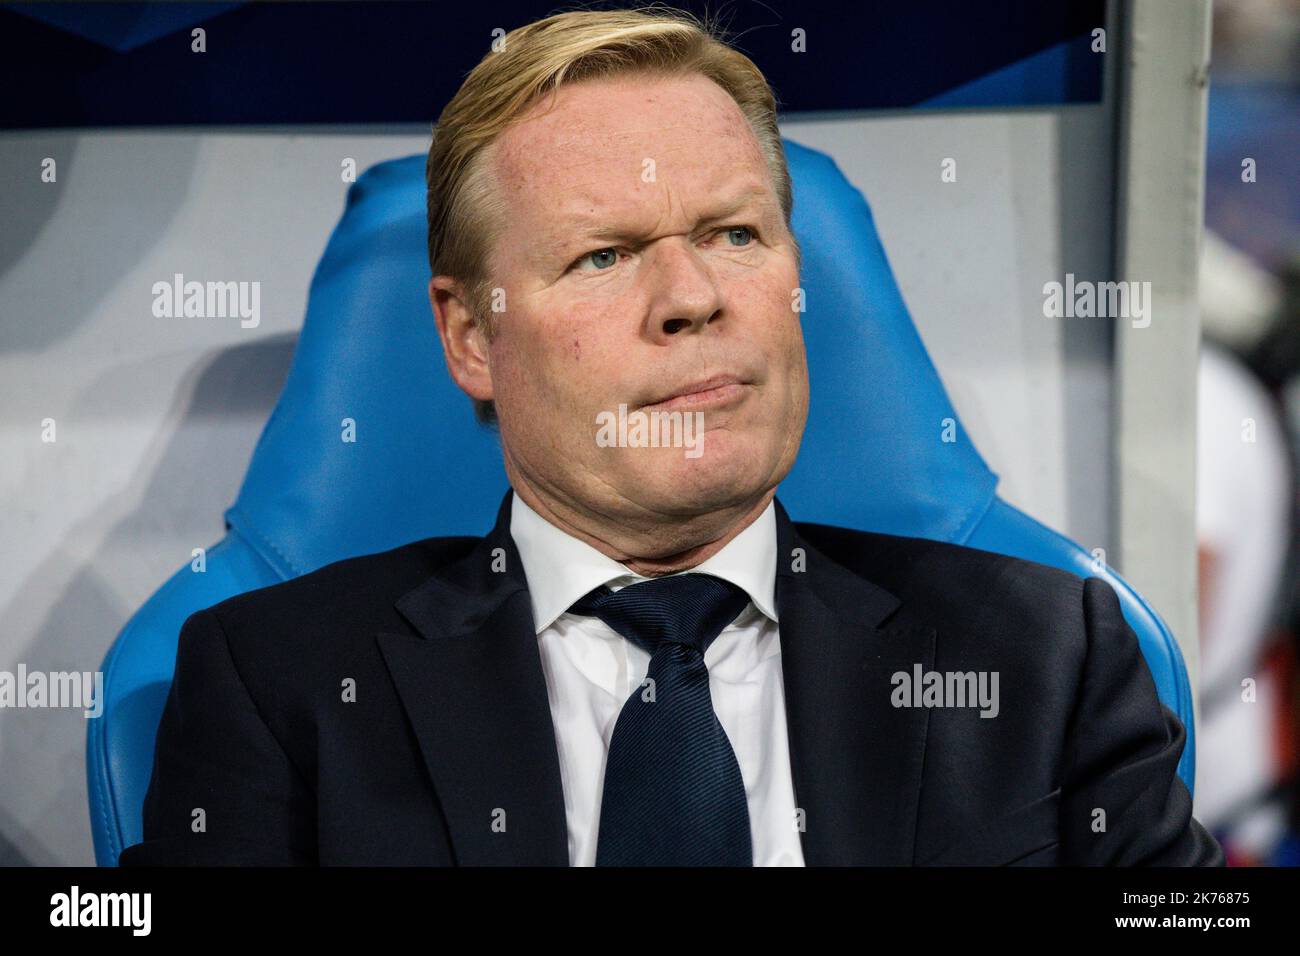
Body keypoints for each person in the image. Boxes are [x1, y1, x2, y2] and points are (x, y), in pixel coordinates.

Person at [119, 6, 1223, 867]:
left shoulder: (1045, 653)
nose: (692, 297)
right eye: (602, 255)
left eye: (734, 232)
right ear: (468, 335)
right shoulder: (274, 683)